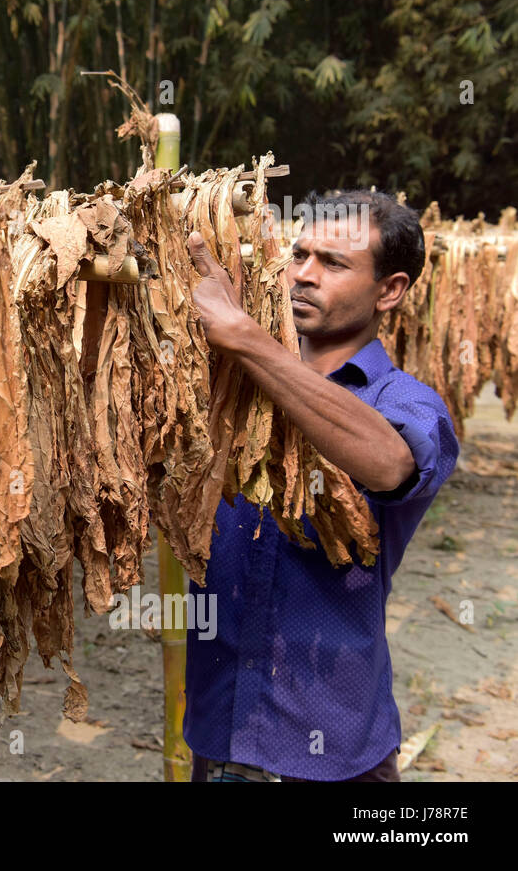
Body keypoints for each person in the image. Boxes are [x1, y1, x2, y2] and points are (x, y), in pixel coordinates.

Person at [183, 189, 459, 782]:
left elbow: (387, 463)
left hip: (336, 758)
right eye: (299, 254)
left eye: (333, 263)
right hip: (219, 740)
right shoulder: (229, 390)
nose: (303, 275)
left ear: (390, 290)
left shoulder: (408, 403)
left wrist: (246, 336)